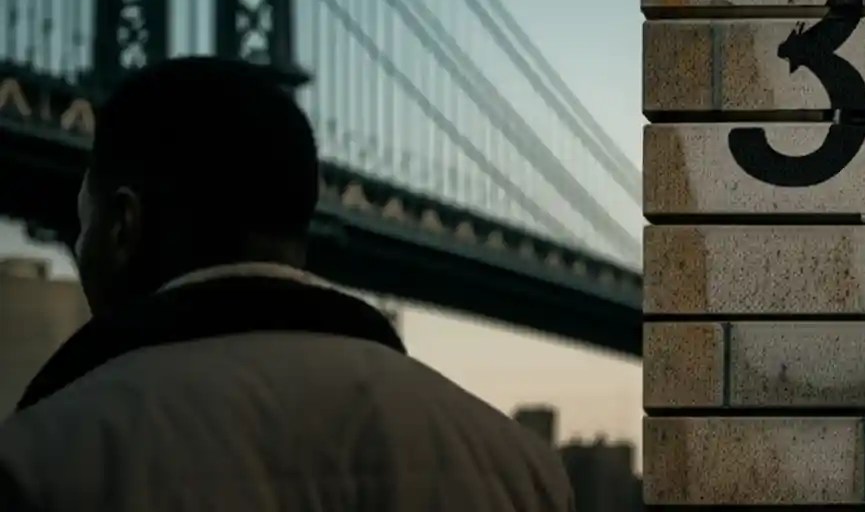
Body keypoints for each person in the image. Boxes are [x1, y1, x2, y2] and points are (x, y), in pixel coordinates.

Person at [0, 56, 576, 511]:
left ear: (124, 225)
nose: (79, 248)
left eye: (85, 224)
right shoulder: (522, 468)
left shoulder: (35, 460)